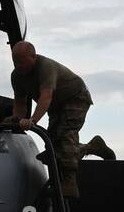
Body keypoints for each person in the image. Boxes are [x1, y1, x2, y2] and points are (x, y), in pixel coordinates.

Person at [6, 41, 114, 198]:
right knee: (53, 142)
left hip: (75, 97)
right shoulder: (17, 76)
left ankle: (70, 183)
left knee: (64, 135)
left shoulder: (45, 68)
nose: (19, 65)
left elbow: (46, 96)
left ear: (33, 57)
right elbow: (20, 101)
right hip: (56, 105)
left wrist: (33, 121)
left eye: (22, 61)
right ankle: (93, 147)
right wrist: (17, 118)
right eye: (15, 62)